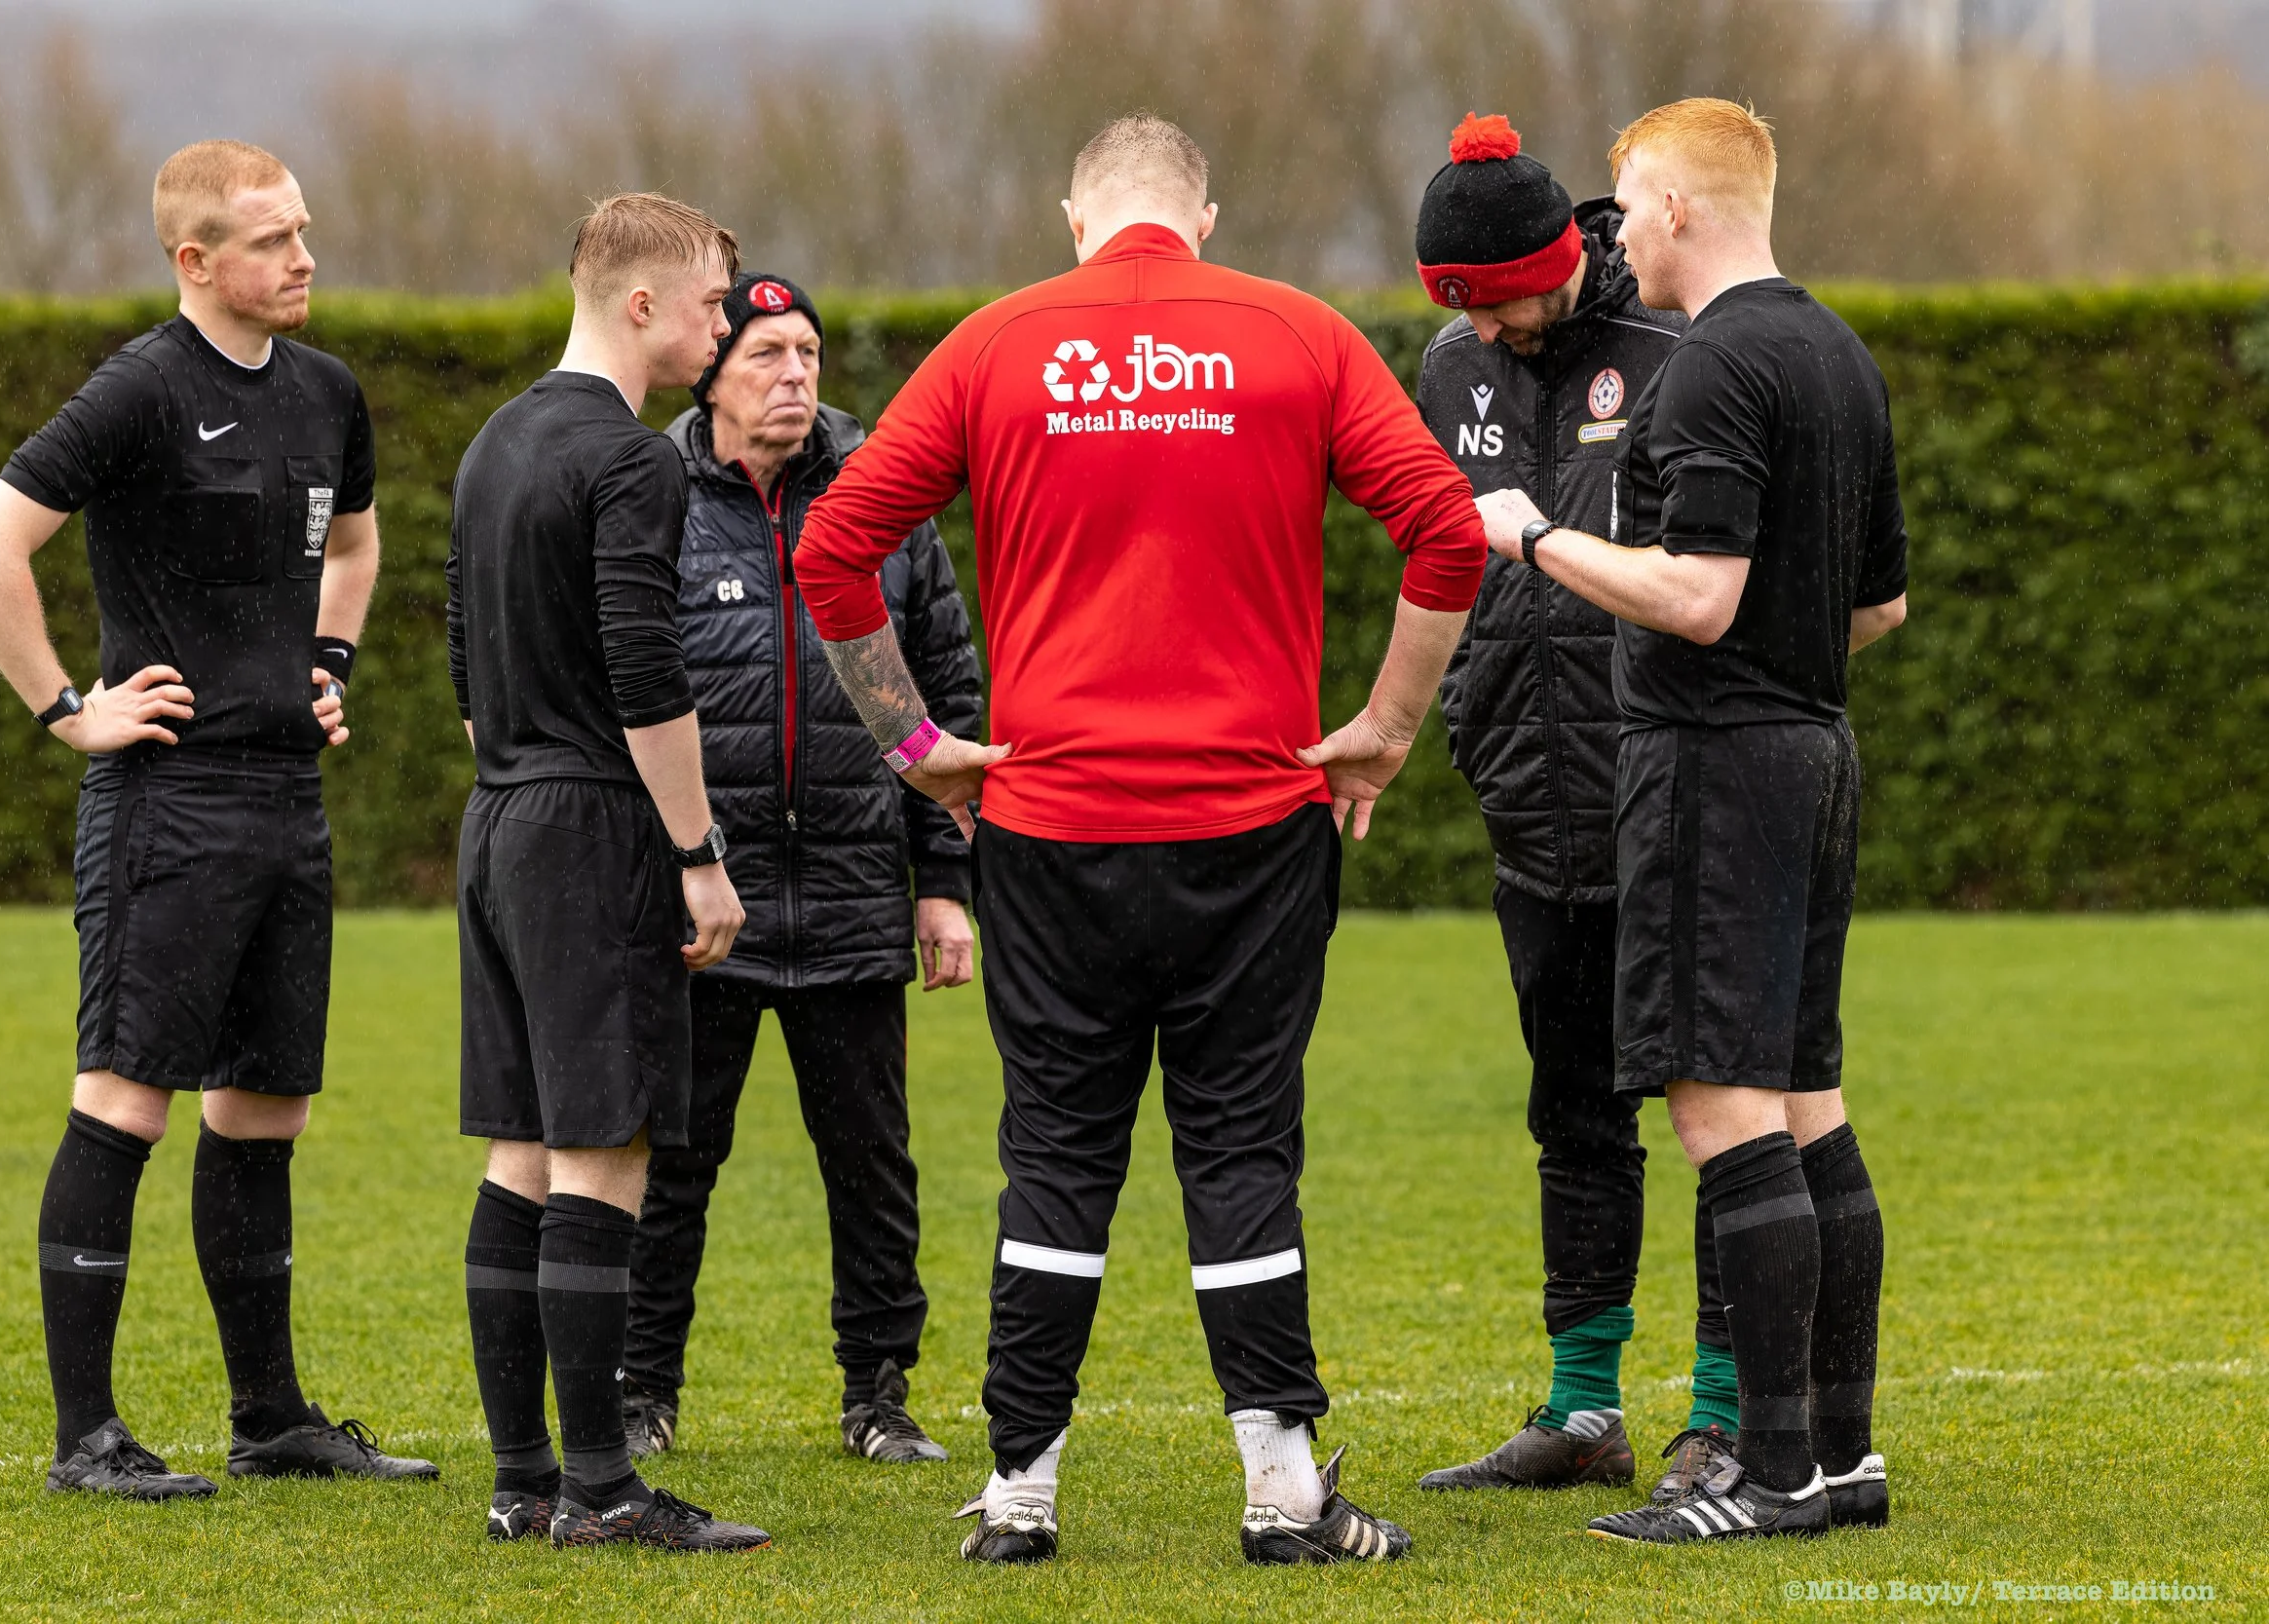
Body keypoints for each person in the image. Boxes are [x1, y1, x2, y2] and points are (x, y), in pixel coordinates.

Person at [795, 114, 1488, 1567]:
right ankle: (1282, 1491)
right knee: (1240, 1148)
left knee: (1055, 1150)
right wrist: (1386, 723)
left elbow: (831, 546)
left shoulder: (996, 344)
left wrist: (918, 748)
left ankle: (1021, 1489)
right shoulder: (1295, 334)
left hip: (1049, 830)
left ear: (1075, 218)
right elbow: (1446, 527)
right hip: (1252, 826)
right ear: (1204, 217)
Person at [0, 139, 435, 1497]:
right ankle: (87, 1437)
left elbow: (356, 543)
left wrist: (327, 663)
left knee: (266, 1106)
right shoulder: (141, 388)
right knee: (125, 1100)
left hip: (288, 799)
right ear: (196, 261)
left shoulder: (329, 392)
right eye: (273, 240)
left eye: (304, 230)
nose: (304, 257)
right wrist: (68, 710)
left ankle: (271, 1417)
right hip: (167, 801)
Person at [1465, 98, 1907, 1544]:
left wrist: (1536, 534)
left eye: (1633, 210)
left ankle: (1768, 1471)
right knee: (1806, 1100)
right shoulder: (1837, 352)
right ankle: (1840, 1455)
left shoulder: (1711, 363)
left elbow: (1699, 596)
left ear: (1676, 206)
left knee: (1721, 1106)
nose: (1625, 241)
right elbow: (1879, 605)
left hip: (1714, 765)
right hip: (1814, 751)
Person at [447, 193, 768, 1554]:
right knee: (602, 1150)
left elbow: (465, 664)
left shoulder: (494, 440)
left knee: (523, 1149)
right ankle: (601, 1488)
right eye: (711, 305)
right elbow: (648, 672)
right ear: (641, 304)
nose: (723, 329)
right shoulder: (634, 461)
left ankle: (524, 1479)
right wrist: (696, 852)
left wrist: (527, 777)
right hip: (590, 832)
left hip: (500, 819)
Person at [619, 270, 983, 1466]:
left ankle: (878, 1394)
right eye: (765, 354)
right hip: (703, 902)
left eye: (808, 354)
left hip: (853, 890)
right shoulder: (650, 493)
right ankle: (641, 1390)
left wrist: (944, 881)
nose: (793, 376)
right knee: (670, 1164)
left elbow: (946, 687)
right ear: (711, 377)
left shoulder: (882, 494)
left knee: (871, 1165)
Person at [1403, 114, 1707, 1493]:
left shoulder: (1679, 346)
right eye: (1461, 305)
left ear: (1554, 262)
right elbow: (1442, 560)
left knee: (1718, 1108)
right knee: (1572, 1111)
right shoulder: (1450, 365)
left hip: (1671, 791)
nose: (1487, 327)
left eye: (1501, 298)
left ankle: (1725, 1409)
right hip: (1529, 802)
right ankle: (1583, 1412)